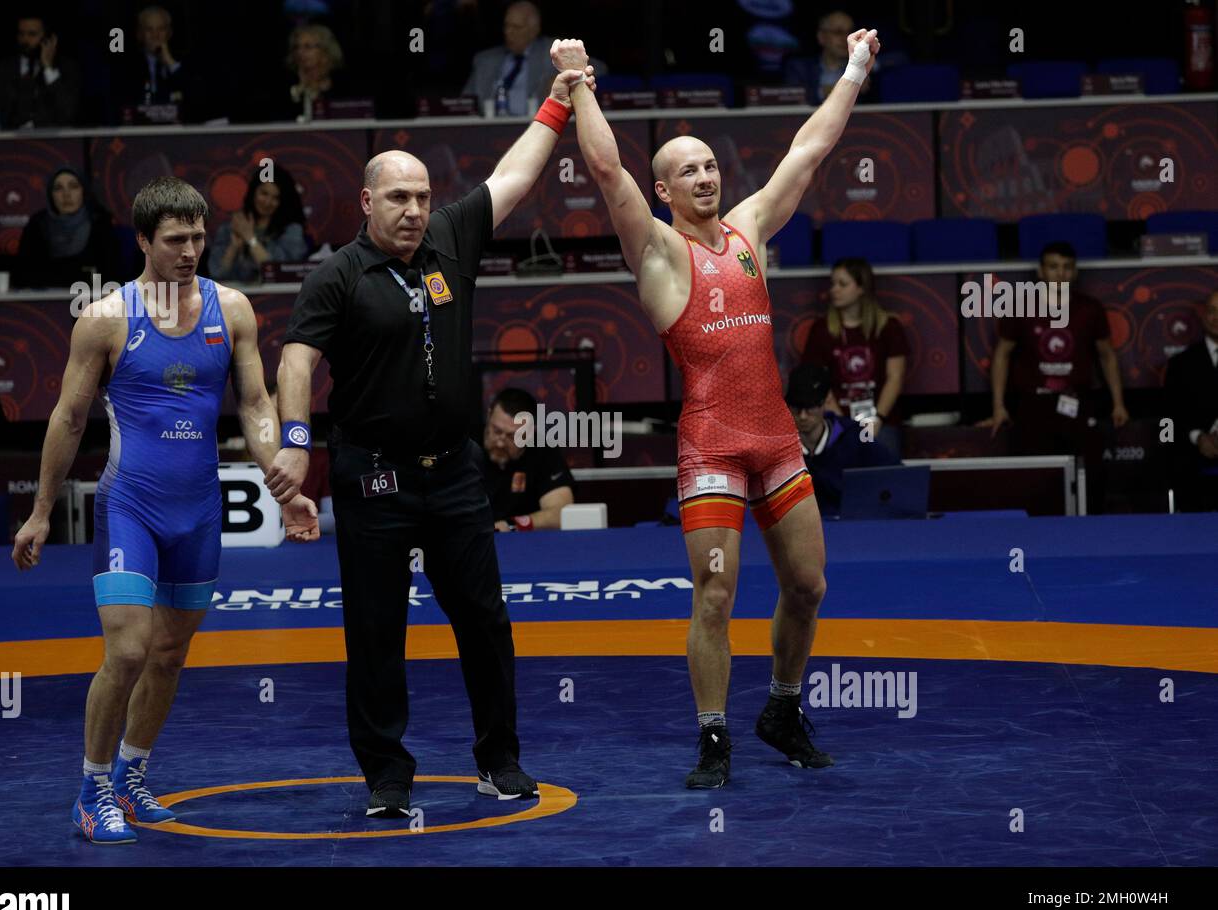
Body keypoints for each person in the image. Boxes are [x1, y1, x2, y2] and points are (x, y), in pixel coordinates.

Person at [265, 60, 597, 818]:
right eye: (398, 198)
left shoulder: (451, 236)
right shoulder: (337, 277)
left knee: (484, 620)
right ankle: (387, 773)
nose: (414, 210)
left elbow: (514, 175)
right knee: (376, 632)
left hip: (454, 474)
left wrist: (555, 99)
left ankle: (499, 759)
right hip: (371, 475)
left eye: (421, 196)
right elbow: (296, 360)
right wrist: (293, 439)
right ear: (366, 202)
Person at [557, 30, 879, 788]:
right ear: (663, 191)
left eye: (708, 165)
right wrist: (577, 83)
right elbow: (606, 169)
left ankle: (782, 707)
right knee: (715, 593)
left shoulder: (748, 230)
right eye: (685, 171)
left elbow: (810, 148)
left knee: (808, 586)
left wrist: (856, 69)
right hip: (711, 447)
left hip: (774, 442)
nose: (703, 177)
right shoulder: (659, 253)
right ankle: (712, 737)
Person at [10, 176, 319, 845]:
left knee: (171, 654)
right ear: (144, 241)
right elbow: (67, 418)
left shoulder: (231, 309)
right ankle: (91, 789)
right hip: (133, 508)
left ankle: (132, 774)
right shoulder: (105, 319)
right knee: (127, 649)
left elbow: (258, 404)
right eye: (175, 240)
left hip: (199, 511)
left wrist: (284, 483)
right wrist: (40, 510)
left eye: (199, 237)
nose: (190, 250)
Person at [985, 240, 1129, 513]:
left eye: (1067, 267)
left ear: (1074, 273)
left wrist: (1118, 402)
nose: (1060, 273)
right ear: (1040, 272)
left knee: (1092, 473)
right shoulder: (1019, 306)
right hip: (1032, 404)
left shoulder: (1090, 308)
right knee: (1036, 479)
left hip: (1078, 401)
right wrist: (998, 407)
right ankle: (1039, 537)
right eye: (1053, 267)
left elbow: (1107, 355)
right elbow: (1002, 355)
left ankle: (1090, 530)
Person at [801, 257, 907, 457]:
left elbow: (895, 377)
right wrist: (847, 424)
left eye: (843, 284)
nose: (834, 290)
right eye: (833, 284)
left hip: (880, 418)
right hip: (836, 418)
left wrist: (876, 420)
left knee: (883, 461)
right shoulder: (821, 330)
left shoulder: (888, 327)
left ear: (861, 288)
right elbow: (816, 381)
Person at [786, 364, 899, 517]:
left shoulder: (856, 433)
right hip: (797, 527)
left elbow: (897, 475)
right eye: (796, 408)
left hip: (849, 528)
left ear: (827, 400)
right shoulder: (778, 443)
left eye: (811, 406)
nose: (803, 416)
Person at [477, 387, 575, 531]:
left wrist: (511, 525)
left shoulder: (544, 453)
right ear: (489, 415)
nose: (500, 442)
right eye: (496, 431)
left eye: (512, 436)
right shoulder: (465, 445)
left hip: (526, 543)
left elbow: (560, 514)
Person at [14, 166, 123, 288]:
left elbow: (110, 277)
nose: (66, 194)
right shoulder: (37, 225)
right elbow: (24, 276)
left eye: (73, 186)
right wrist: (80, 273)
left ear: (84, 191)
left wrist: (55, 273)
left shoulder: (100, 224)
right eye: (58, 188)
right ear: (51, 195)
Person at [1163, 290, 1218, 511]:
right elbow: (1168, 415)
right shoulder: (1181, 363)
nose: (1216, 318)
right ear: (1203, 315)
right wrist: (1197, 437)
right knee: (1173, 456)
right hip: (1192, 452)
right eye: (1212, 311)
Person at [208, 164, 310, 283]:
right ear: (253, 192)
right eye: (264, 193)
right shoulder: (230, 228)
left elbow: (278, 273)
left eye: (275, 198)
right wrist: (234, 246)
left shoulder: (292, 231)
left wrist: (250, 239)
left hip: (278, 299)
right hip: (235, 298)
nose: (267, 202)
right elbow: (217, 273)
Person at [0, 14, 80, 129]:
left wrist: (48, 68)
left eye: (32, 34)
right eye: (21, 34)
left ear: (48, 38)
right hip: (8, 142)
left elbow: (67, 112)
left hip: (49, 143)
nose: (25, 40)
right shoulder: (0, 69)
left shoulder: (66, 68)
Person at [462, 1, 555, 115]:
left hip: (536, 128)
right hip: (490, 129)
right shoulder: (485, 61)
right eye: (506, 26)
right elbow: (464, 105)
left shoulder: (552, 55)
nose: (508, 32)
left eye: (516, 27)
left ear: (534, 30)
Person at [784, 10, 876, 105]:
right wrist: (850, 86)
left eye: (850, 32)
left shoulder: (864, 68)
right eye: (838, 32)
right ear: (822, 37)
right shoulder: (799, 68)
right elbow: (794, 102)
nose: (846, 38)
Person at [112, 6, 188, 114]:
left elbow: (195, 95)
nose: (155, 35)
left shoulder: (183, 61)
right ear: (139, 34)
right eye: (149, 29)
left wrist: (170, 63)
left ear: (169, 33)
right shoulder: (126, 66)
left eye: (161, 29)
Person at [277, 24, 350, 122]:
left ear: (325, 50)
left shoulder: (344, 84)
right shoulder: (285, 82)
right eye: (296, 47)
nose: (300, 52)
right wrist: (302, 88)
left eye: (307, 47)